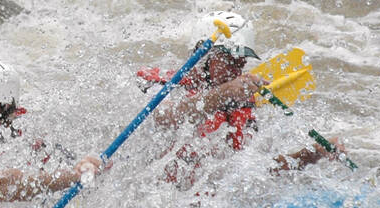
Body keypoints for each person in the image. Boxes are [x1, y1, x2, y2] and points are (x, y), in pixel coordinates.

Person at [136, 11, 342, 189]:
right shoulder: (166, 87)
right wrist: (225, 93)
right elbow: (164, 117)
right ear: (203, 57)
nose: (237, 67)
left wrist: (311, 155)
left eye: (241, 60)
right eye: (229, 58)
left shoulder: (242, 109)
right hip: (152, 196)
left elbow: (254, 174)